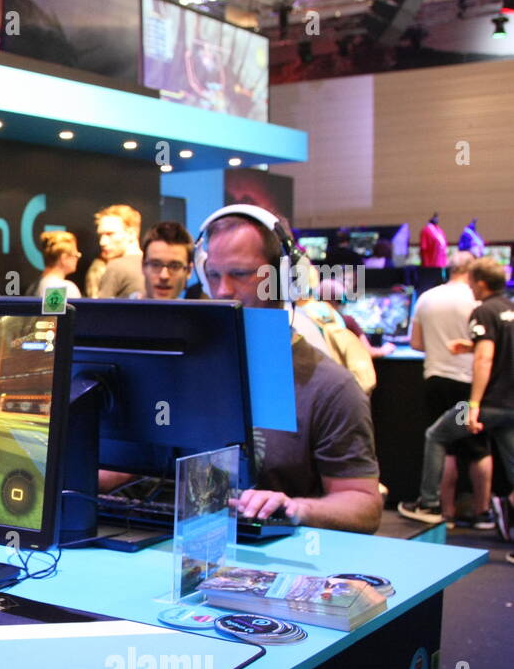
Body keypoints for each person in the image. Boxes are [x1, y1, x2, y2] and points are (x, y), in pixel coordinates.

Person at [197, 206, 382, 533]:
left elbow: (363, 504)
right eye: (213, 274)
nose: (222, 290)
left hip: (280, 564)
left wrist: (296, 508)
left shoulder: (330, 387)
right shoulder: (192, 369)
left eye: (240, 274)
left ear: (284, 278)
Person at [400, 257, 514, 533]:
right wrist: (471, 346)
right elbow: (494, 350)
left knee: (440, 437)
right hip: (498, 398)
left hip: (468, 396)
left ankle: (434, 506)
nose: (470, 288)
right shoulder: (509, 308)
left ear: (481, 282)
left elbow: (485, 359)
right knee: (481, 450)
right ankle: (483, 511)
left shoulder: (466, 306)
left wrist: (474, 404)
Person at [90, 205, 143, 299]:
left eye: (110, 234)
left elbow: (99, 310)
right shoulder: (152, 266)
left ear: (131, 233)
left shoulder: (116, 267)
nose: (102, 242)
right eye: (101, 236)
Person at [138, 221, 193, 300]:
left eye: (175, 266)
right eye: (155, 265)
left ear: (189, 271)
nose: (164, 276)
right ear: (143, 266)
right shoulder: (118, 311)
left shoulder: (196, 312)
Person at [26, 231, 81, 299]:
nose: (77, 259)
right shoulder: (63, 288)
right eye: (75, 254)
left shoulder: (34, 286)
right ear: (64, 258)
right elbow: (53, 309)